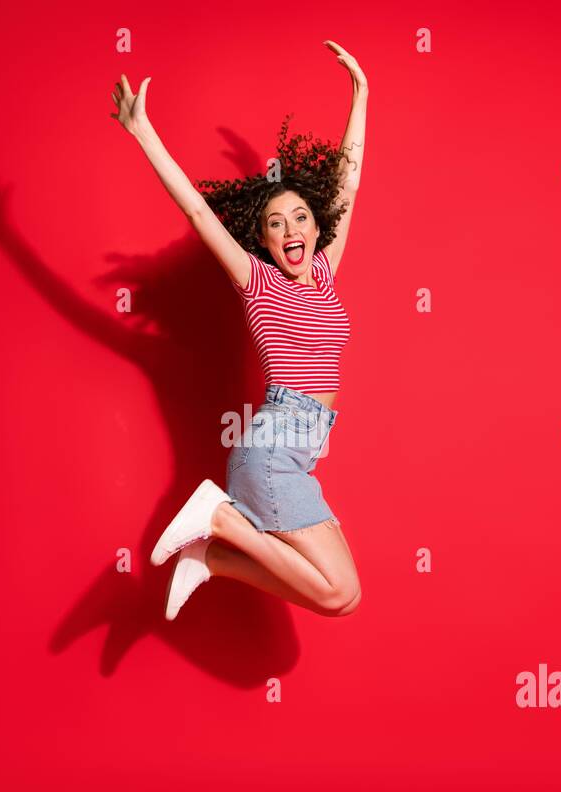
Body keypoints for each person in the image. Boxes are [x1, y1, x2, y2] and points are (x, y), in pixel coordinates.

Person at [110, 40, 368, 621]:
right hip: (274, 448)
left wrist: (361, 96)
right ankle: (221, 518)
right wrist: (143, 132)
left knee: (343, 596)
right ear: (266, 241)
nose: (291, 228)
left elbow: (348, 187)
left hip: (297, 452)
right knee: (336, 594)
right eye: (276, 223)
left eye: (301, 215)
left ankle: (213, 558)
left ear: (314, 222)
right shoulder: (256, 281)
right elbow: (199, 213)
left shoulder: (324, 272)